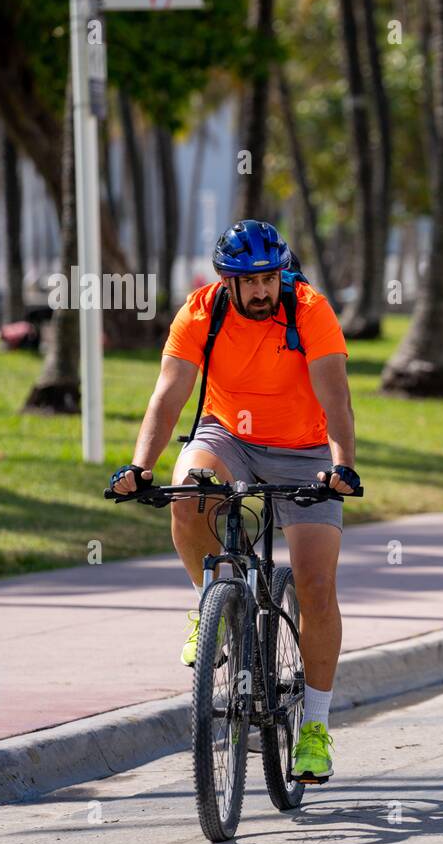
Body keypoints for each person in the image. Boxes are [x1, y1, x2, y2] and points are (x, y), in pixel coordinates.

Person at [109, 219, 357, 784]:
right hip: (228, 437)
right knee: (187, 495)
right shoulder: (200, 313)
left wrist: (341, 464)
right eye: (250, 281)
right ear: (227, 282)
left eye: (270, 278)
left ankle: (315, 727)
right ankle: (212, 604)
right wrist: (140, 466)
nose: (263, 290)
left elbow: (335, 395)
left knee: (317, 585)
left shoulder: (309, 309)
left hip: (305, 449)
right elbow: (169, 393)